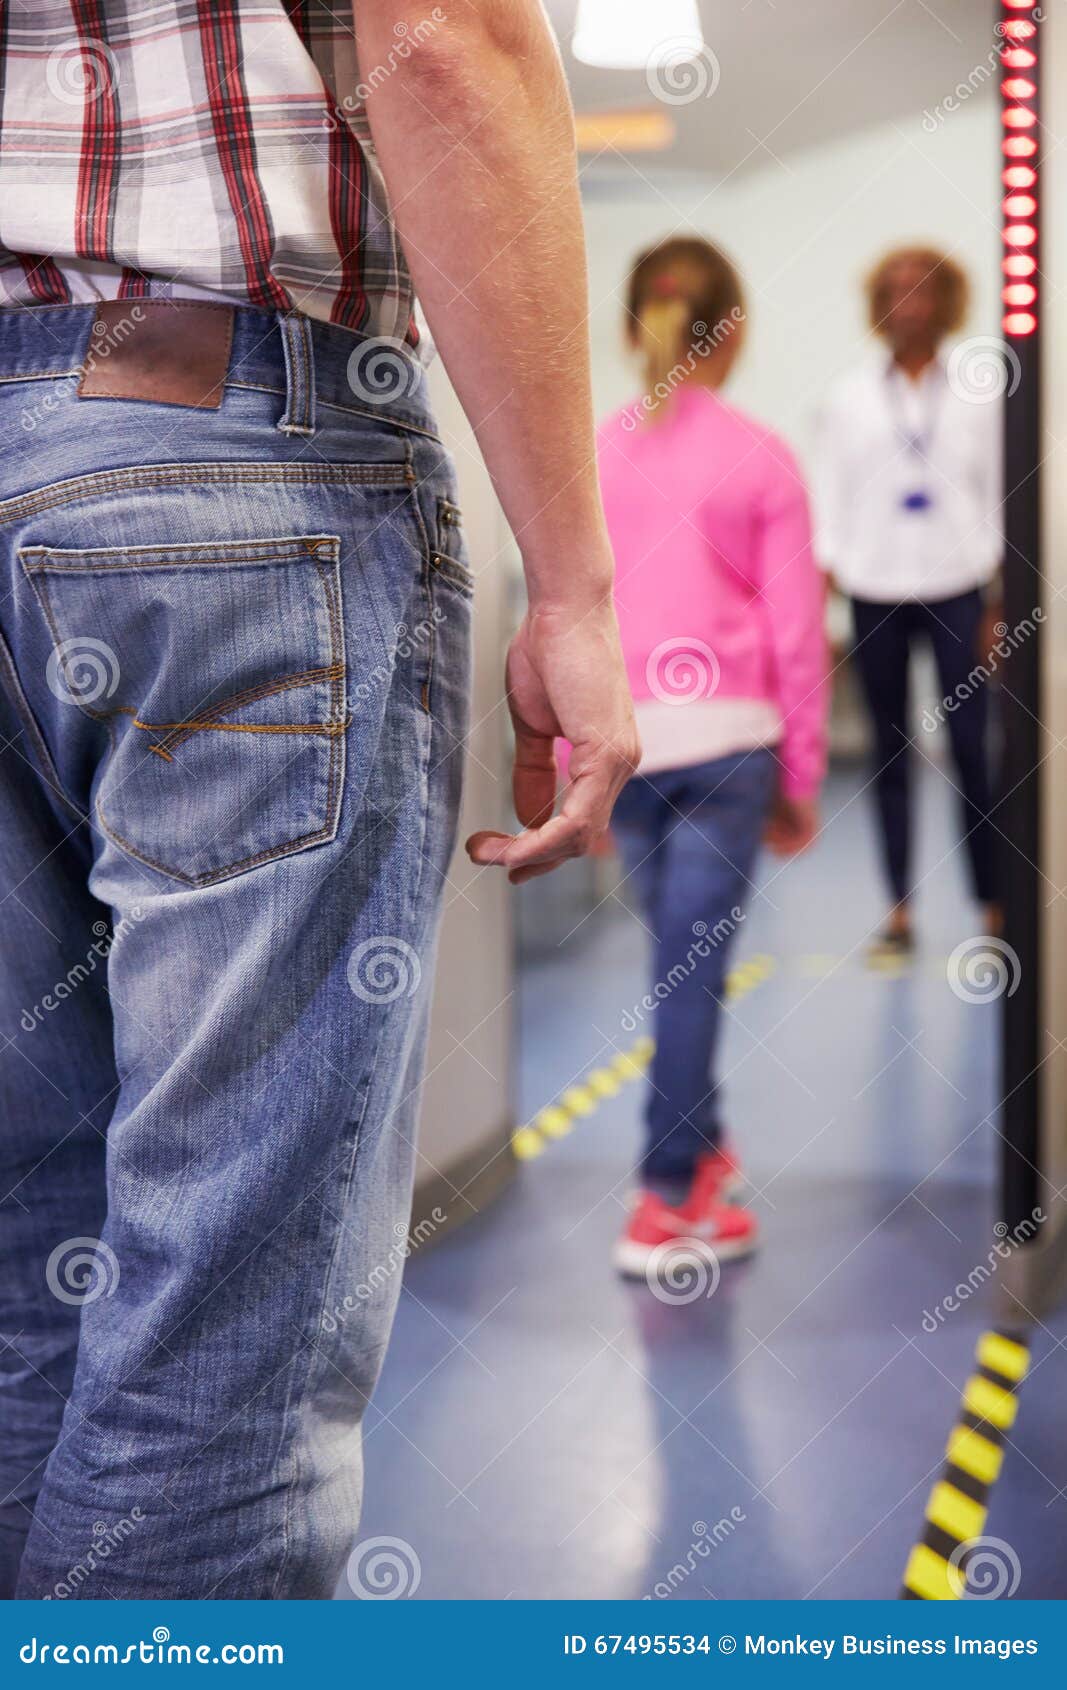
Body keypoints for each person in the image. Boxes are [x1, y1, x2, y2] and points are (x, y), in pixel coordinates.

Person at [0, 1, 637, 1599]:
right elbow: (444, 41)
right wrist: (569, 584)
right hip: (223, 473)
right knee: (229, 1347)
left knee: (30, 1283)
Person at [600, 238, 828, 1280]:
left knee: (675, 966)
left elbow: (571, 620)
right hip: (730, 748)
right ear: (731, 332)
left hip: (628, 751)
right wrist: (801, 774)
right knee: (688, 974)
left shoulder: (589, 453)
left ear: (627, 325)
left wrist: (570, 761)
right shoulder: (762, 454)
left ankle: (701, 1143)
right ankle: (664, 1196)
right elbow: (796, 636)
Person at [814, 247, 1002, 958]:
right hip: (875, 589)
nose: (908, 303)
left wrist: (997, 599)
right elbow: (828, 496)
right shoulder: (849, 399)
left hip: (960, 587)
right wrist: (823, 581)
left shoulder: (980, 393)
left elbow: (999, 495)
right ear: (877, 303)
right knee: (886, 754)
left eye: (922, 291)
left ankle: (990, 908)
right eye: (893, 290)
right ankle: (899, 910)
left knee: (970, 752)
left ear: (945, 302)